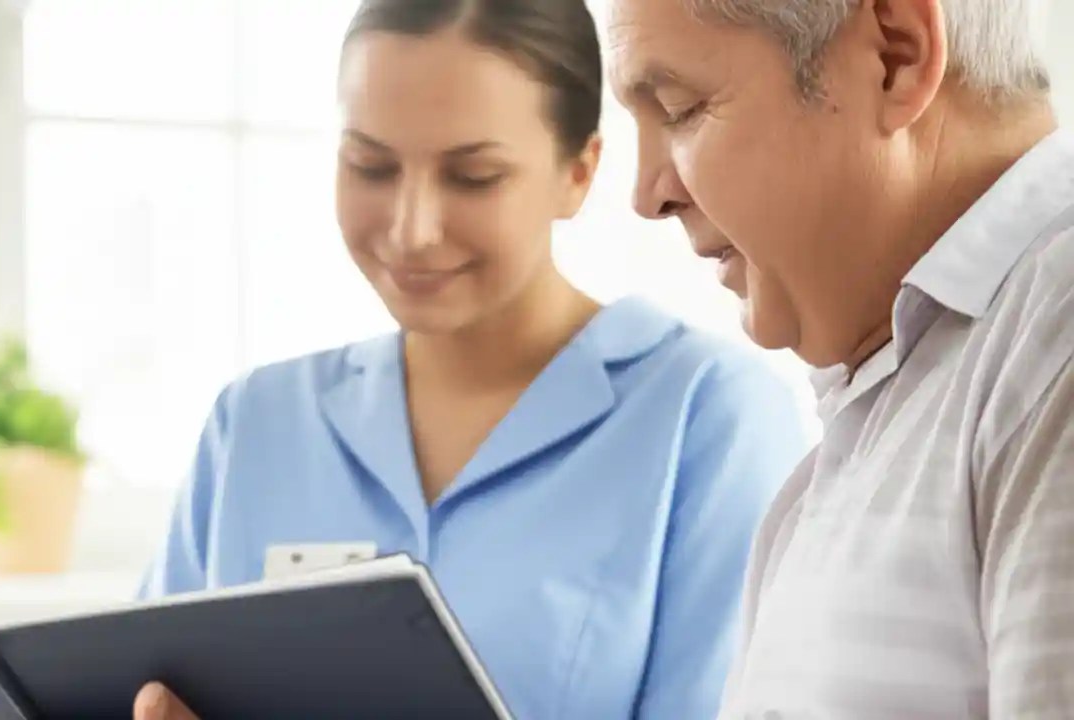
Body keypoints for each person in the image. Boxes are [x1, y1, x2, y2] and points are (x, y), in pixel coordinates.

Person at [131, 1, 809, 718]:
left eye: (473, 176)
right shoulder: (255, 425)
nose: (412, 229)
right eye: (370, 165)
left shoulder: (707, 417)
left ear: (578, 173)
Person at [607, 0, 1072, 716]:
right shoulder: (895, 394)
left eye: (683, 108)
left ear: (895, 57)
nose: (647, 195)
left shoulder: (1051, 336)